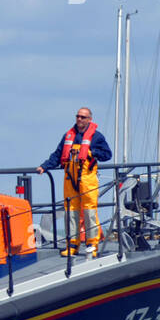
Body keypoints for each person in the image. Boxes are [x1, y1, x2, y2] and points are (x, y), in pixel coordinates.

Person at [37, 107, 112, 257]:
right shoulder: (68, 136)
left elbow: (107, 154)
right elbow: (57, 154)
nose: (79, 119)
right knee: (70, 212)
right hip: (70, 179)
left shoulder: (96, 137)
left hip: (87, 178)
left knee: (90, 211)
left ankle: (92, 244)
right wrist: (44, 166)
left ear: (89, 119)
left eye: (83, 117)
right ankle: (73, 245)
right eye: (78, 116)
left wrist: (92, 152)